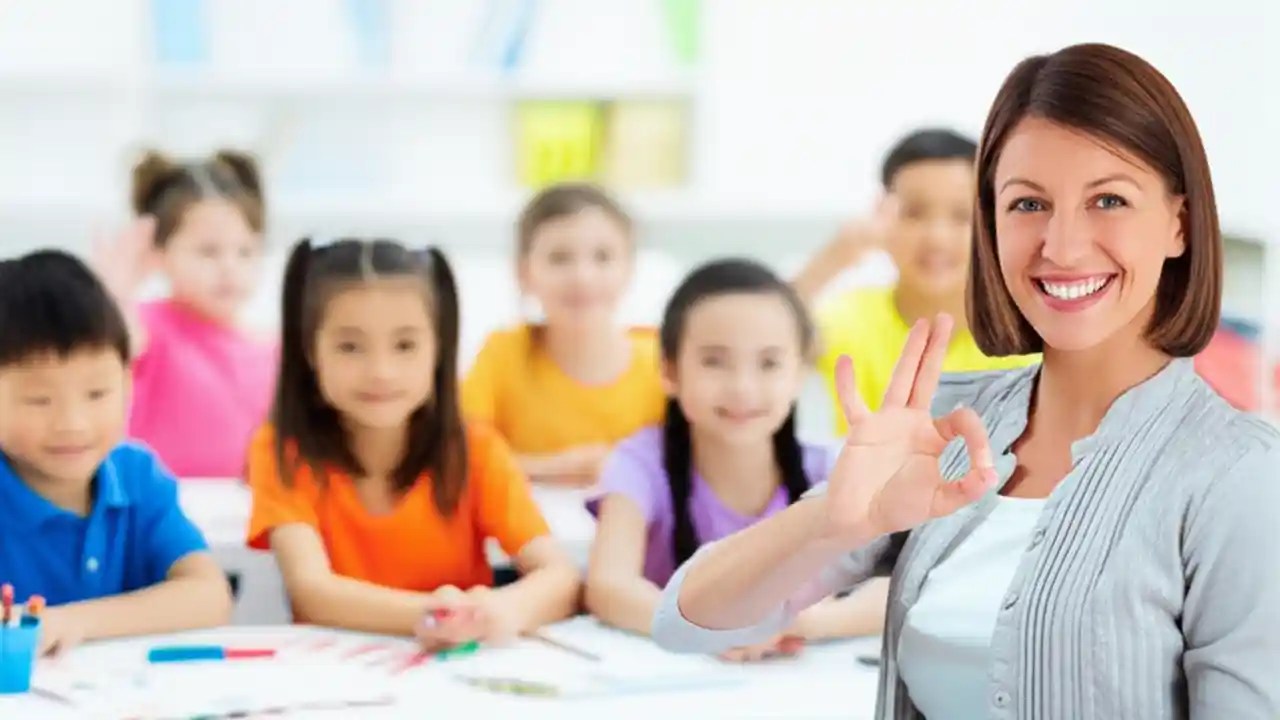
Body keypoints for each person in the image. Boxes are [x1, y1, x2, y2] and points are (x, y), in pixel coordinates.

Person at [651, 43, 1280, 719]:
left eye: (1108, 199)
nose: (1062, 247)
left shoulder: (1238, 477)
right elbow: (685, 622)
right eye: (1027, 205)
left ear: (1179, 225)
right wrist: (830, 521)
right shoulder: (945, 427)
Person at [246, 238, 579, 647]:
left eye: (405, 345)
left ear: (438, 349)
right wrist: (431, 615)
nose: (381, 371)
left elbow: (559, 577)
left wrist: (503, 610)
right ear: (309, 352)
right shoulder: (282, 451)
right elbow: (311, 589)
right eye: (349, 346)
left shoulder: (476, 451)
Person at [585, 259, 886, 661]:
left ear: (799, 373)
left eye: (769, 363)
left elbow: (899, 584)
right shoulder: (639, 464)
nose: (743, 387)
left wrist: (806, 622)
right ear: (670, 371)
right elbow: (608, 585)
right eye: (714, 361)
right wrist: (710, 630)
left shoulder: (830, 468)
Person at [0, 251, 232, 656]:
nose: (72, 422)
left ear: (127, 383)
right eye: (39, 400)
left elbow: (209, 596)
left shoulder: (138, 477)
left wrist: (72, 621)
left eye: (97, 394)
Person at [793, 129, 1038, 434]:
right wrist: (835, 257)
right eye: (914, 212)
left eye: (961, 216)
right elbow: (758, 338)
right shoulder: (848, 320)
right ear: (883, 215)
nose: (937, 237)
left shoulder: (1028, 331)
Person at [462, 183, 665, 486]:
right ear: (524, 273)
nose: (582, 277)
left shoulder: (663, 363)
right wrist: (556, 468)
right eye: (559, 258)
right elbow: (459, 455)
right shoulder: (503, 354)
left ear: (629, 269)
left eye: (603, 257)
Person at [94, 149, 277, 478]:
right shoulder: (148, 327)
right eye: (208, 251)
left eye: (245, 251)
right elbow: (111, 345)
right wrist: (117, 294)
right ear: (160, 254)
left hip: (239, 511)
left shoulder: (272, 347)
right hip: (161, 511)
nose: (228, 268)